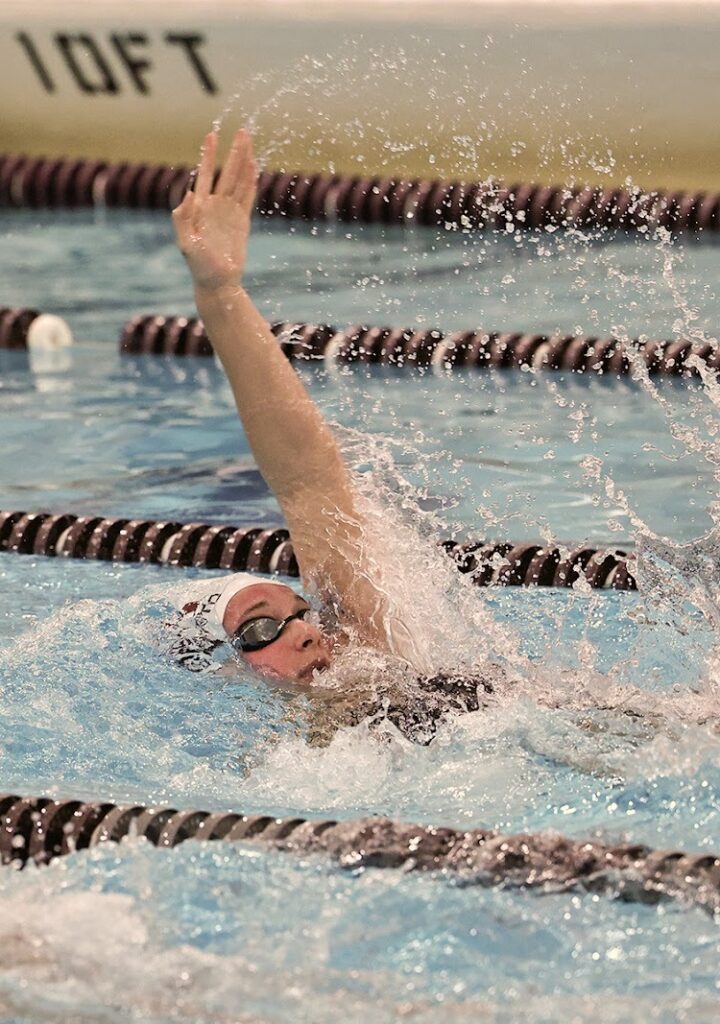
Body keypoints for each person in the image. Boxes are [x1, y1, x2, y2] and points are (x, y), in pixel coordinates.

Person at [164, 131, 491, 736]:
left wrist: (220, 293)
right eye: (261, 628)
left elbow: (308, 478)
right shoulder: (282, 771)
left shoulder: (377, 661)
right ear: (220, 671)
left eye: (300, 614)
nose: (309, 631)